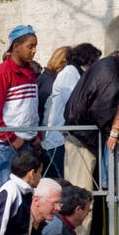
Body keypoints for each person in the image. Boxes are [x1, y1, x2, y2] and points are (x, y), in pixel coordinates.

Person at [63, 38, 119, 235]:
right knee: (80, 201)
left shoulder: (108, 69)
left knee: (85, 198)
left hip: (86, 138)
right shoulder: (109, 73)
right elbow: (103, 111)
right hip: (82, 139)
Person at [0, 25, 40, 201]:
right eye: (30, 46)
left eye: (35, 46)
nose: (34, 51)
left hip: (27, 141)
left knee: (26, 194)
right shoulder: (1, 73)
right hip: (6, 145)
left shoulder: (30, 72)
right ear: (16, 47)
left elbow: (29, 108)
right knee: (5, 191)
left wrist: (36, 133)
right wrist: (11, 137)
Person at [44, 43, 101, 180]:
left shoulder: (75, 73)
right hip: (60, 139)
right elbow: (74, 103)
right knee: (66, 181)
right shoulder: (70, 73)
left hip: (66, 137)